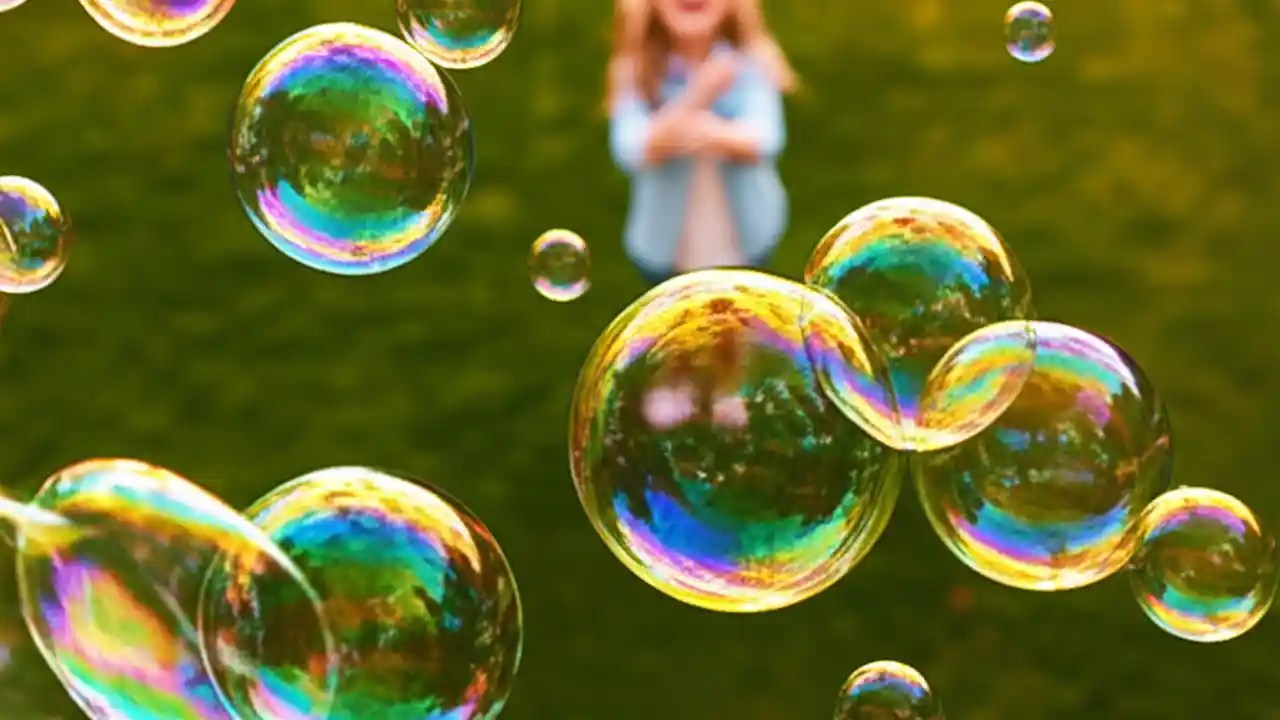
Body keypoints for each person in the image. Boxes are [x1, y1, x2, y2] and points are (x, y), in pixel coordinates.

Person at [607, 0, 796, 285]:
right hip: (665, 251)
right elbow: (631, 149)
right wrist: (699, 94)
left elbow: (767, 139)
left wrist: (707, 133)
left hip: (745, 242)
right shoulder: (636, 70)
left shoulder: (750, 61)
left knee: (746, 317)